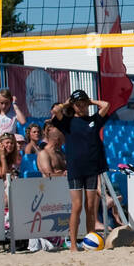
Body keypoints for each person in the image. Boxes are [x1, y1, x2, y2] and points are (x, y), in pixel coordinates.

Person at [48, 90, 115, 251]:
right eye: (78, 104)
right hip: (76, 169)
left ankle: (90, 239)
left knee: (90, 206)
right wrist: (69, 103)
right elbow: (55, 111)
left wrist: (90, 101)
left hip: (92, 168)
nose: (82, 106)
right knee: (77, 206)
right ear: (73, 105)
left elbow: (106, 105)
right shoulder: (68, 122)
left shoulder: (94, 120)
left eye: (83, 103)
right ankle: (72, 244)